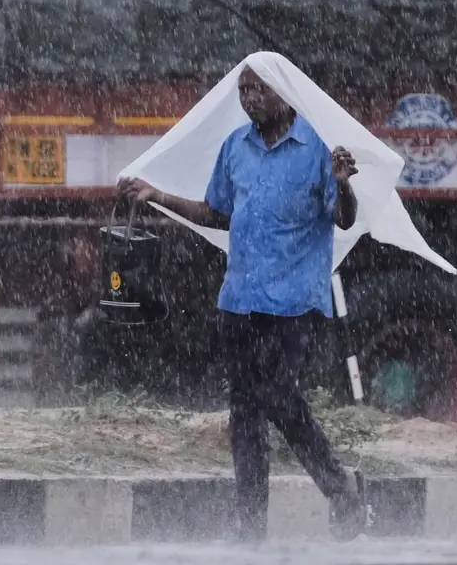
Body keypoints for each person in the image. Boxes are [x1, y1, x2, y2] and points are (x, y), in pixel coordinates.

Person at [118, 65, 366, 542]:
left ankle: (338, 484)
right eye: (243, 90)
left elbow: (342, 218)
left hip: (295, 301)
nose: (250, 98)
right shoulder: (235, 147)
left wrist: (344, 183)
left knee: (276, 393)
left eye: (259, 89)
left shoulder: (317, 149)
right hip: (240, 299)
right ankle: (251, 528)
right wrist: (159, 196)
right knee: (245, 413)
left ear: (284, 93)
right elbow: (216, 212)